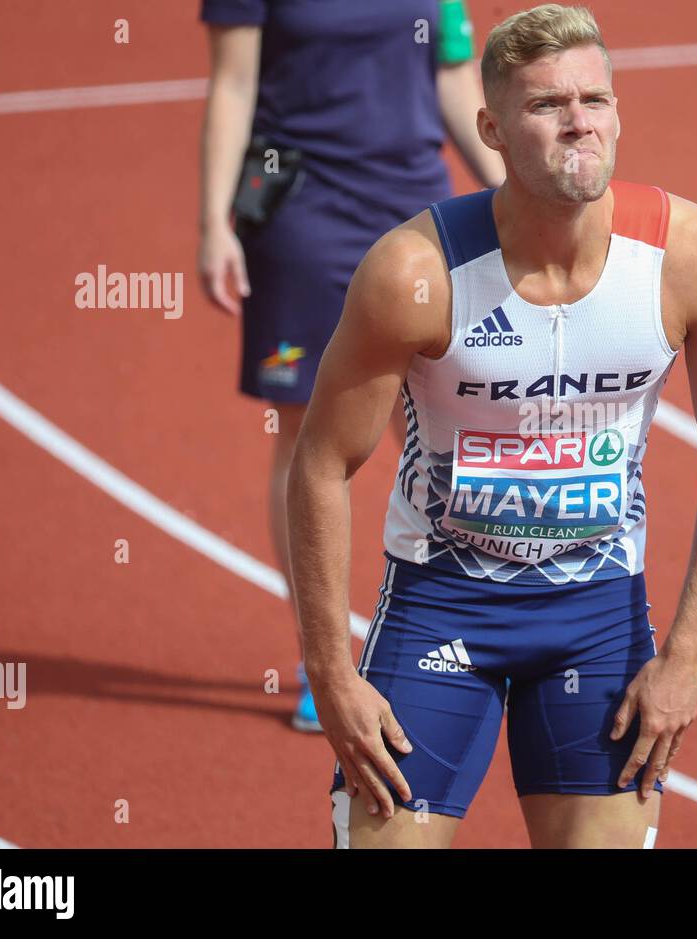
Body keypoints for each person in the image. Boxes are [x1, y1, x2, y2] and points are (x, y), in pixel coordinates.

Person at [288, 3, 697, 848]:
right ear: (493, 129)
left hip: (599, 614)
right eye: (547, 105)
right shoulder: (416, 274)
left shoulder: (694, 258)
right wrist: (330, 669)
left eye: (595, 100)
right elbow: (322, 462)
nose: (577, 122)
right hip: (441, 608)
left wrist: (686, 654)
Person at [197, 0, 505, 732]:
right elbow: (234, 84)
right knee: (308, 431)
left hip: (414, 204)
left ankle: (468, 634)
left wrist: (514, 188)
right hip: (297, 210)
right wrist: (214, 221)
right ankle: (321, 658)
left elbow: (453, 75)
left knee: (444, 420)